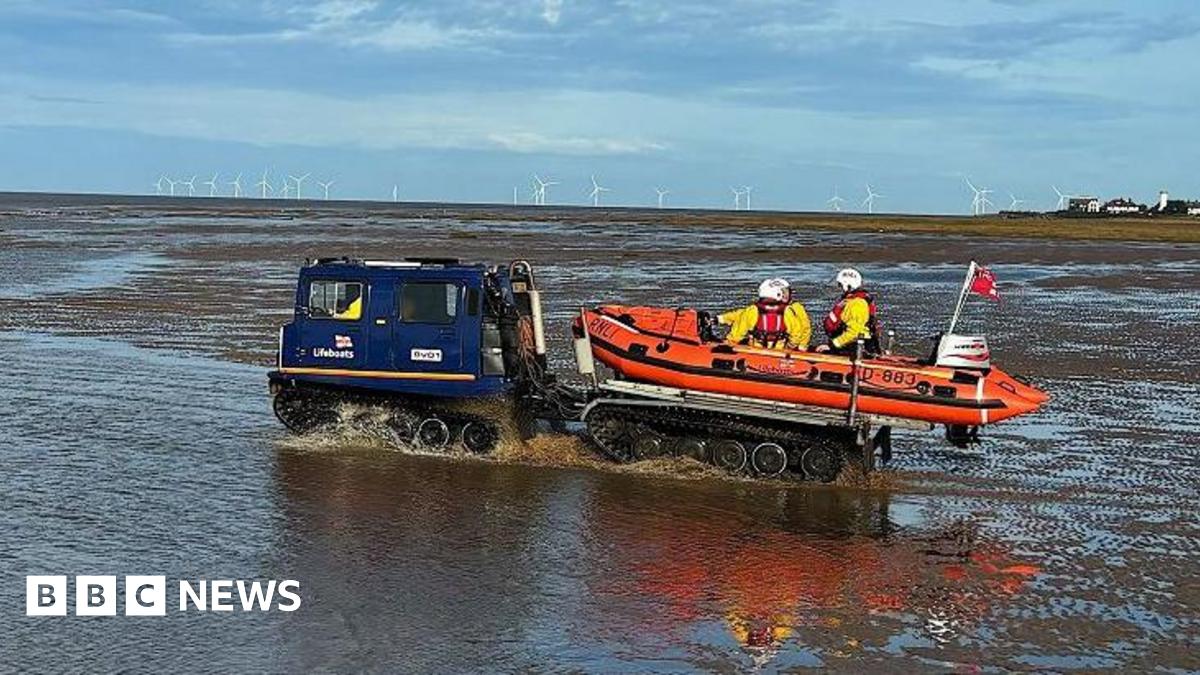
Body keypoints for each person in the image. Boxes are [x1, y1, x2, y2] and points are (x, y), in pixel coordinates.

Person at [718, 278, 811, 350]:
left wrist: (728, 343)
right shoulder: (788, 311)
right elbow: (797, 333)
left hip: (756, 349)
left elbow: (737, 333)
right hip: (779, 350)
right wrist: (789, 347)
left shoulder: (752, 310)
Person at [815, 268, 880, 356]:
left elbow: (854, 332)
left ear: (847, 285)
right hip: (852, 345)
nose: (840, 288)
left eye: (840, 285)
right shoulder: (850, 301)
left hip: (857, 347)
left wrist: (833, 345)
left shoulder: (857, 304)